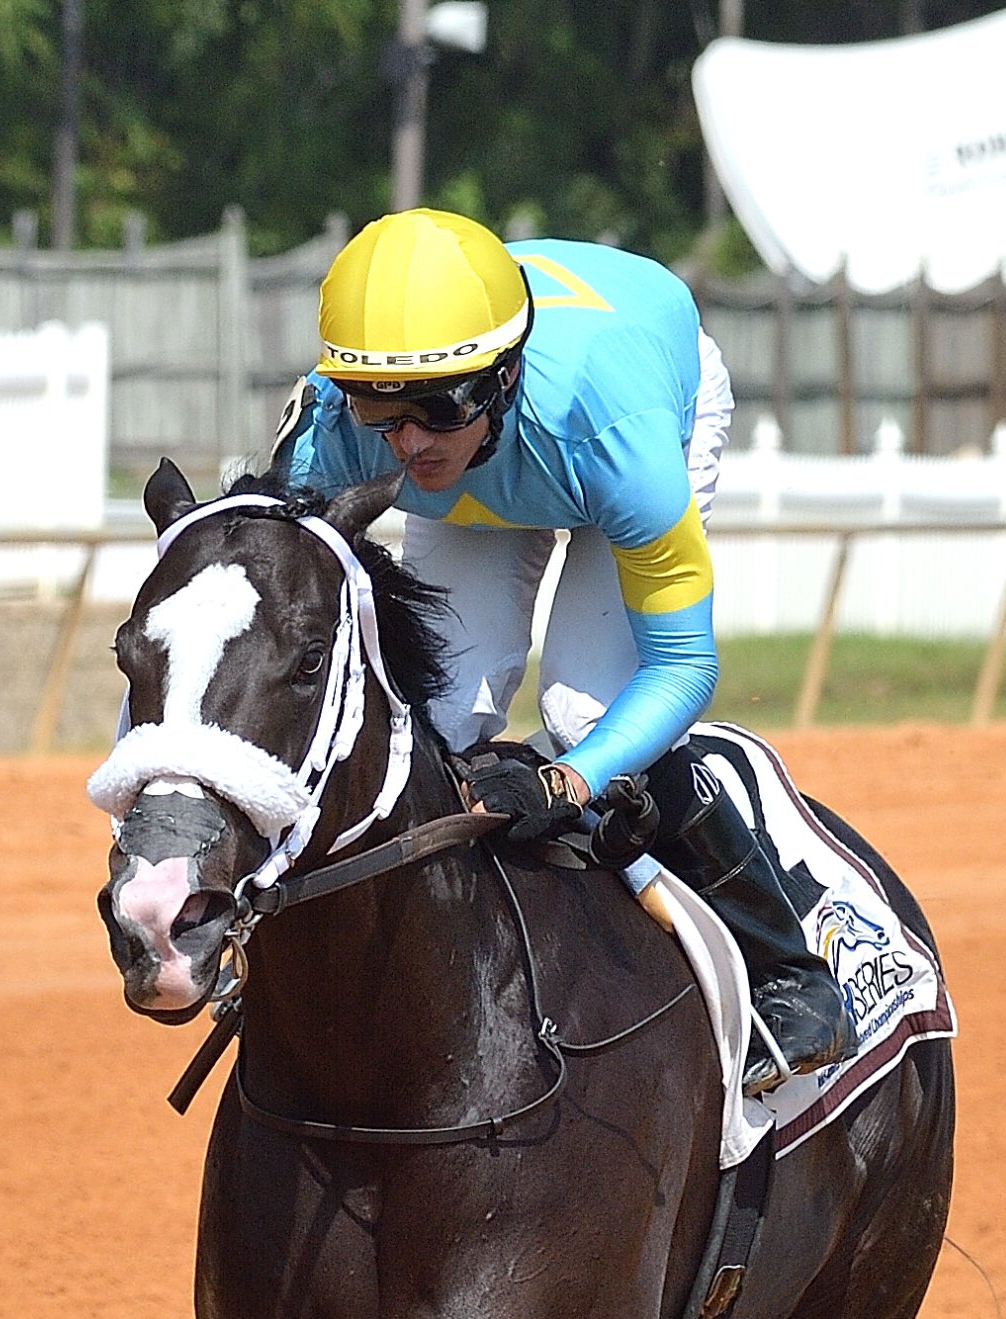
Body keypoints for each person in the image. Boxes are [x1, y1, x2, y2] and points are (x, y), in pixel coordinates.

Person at [269, 207, 853, 1093]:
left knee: (586, 716)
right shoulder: (335, 428)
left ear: (500, 378)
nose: (410, 440)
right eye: (380, 408)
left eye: (438, 405)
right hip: (510, 460)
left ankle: (787, 970)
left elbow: (684, 666)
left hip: (624, 413)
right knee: (439, 716)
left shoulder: (615, 434)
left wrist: (565, 779)